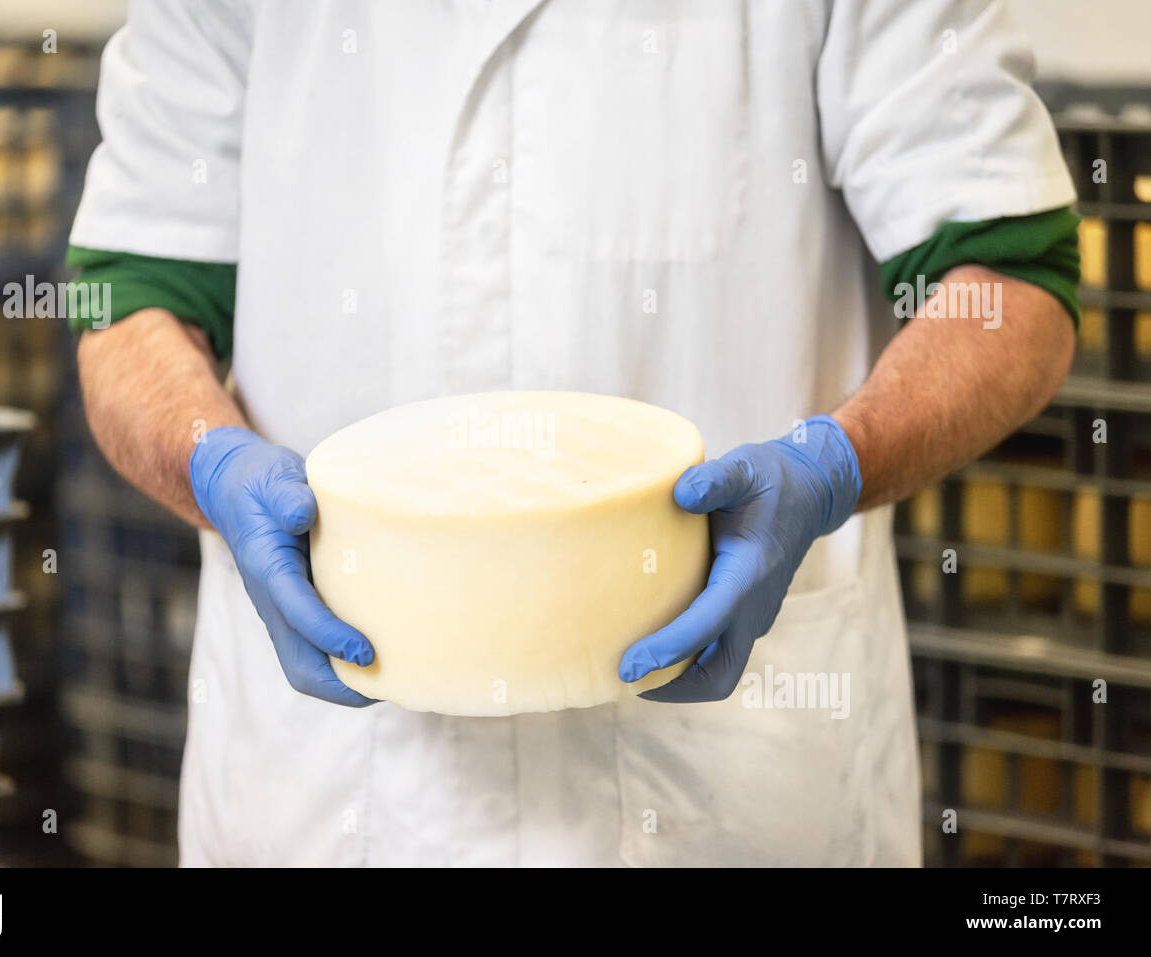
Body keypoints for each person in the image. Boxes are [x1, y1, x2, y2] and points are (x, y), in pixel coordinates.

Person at [68, 0, 1079, 866]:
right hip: (327, 801)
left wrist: (838, 462)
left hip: (726, 796)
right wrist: (211, 462)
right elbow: (129, 296)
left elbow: (1011, 281)